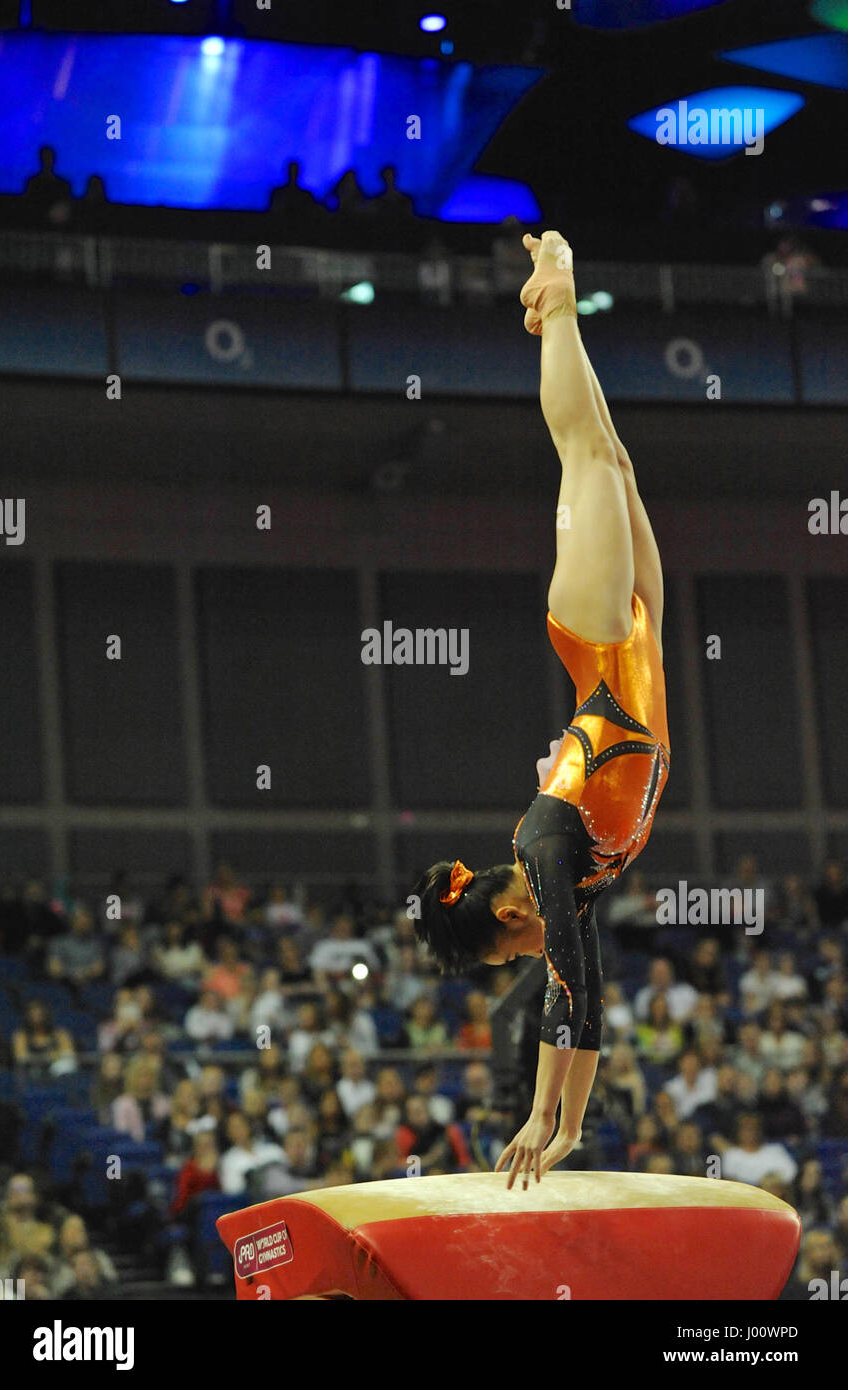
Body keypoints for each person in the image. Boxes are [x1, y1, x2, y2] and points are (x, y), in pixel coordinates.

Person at [413, 230, 670, 1190]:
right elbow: (573, 987)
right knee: (610, 456)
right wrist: (553, 1117)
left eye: (509, 947)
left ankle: (556, 298)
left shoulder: (547, 856)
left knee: (580, 454)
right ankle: (553, 311)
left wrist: (546, 1121)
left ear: (511, 914)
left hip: (596, 635)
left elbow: (573, 985)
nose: (529, 951)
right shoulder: (556, 872)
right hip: (632, 639)